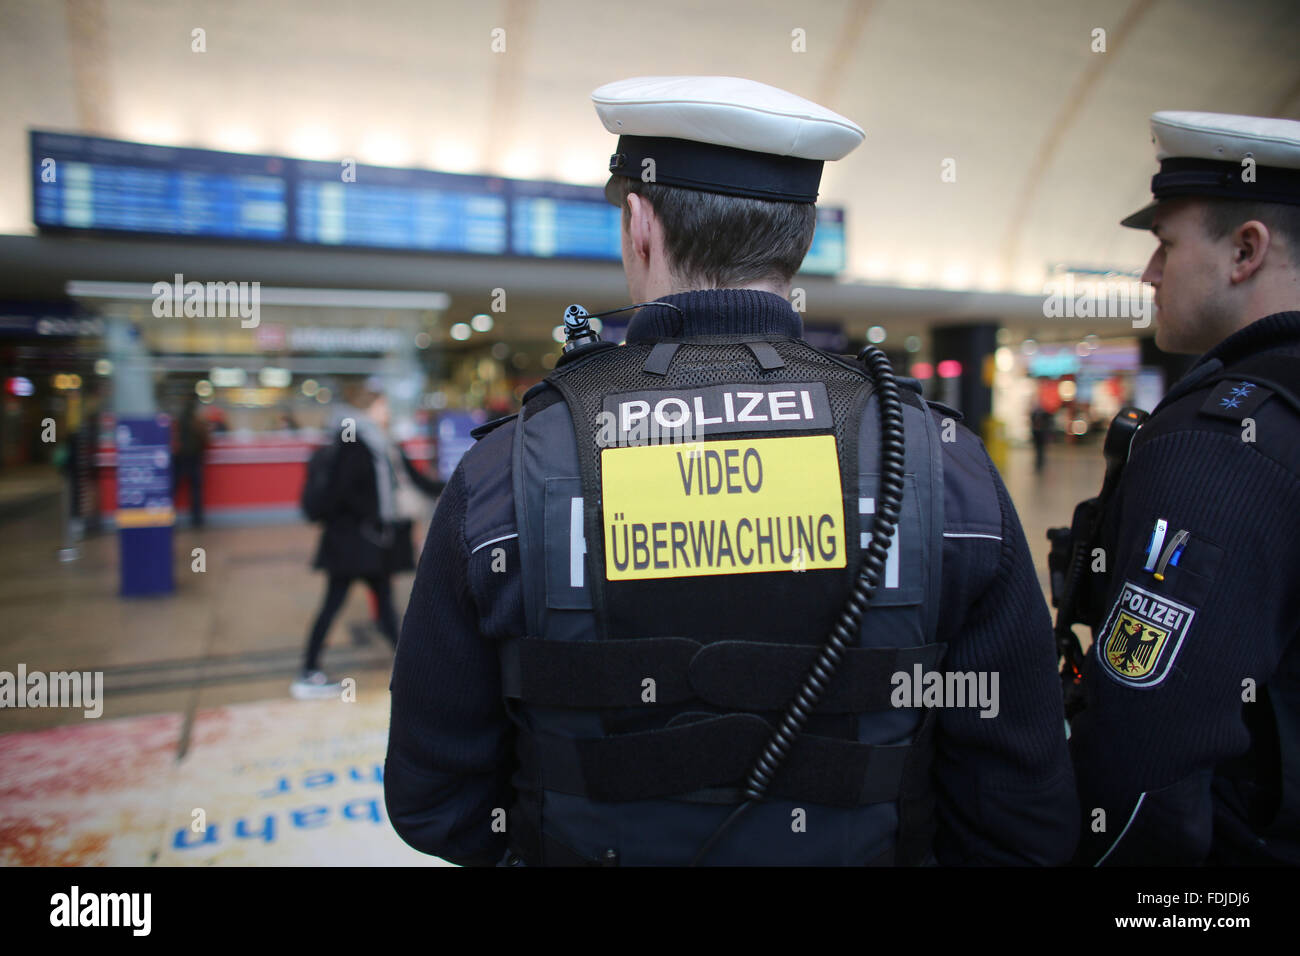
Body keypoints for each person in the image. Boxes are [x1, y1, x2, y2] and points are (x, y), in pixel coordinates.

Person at [385, 75, 1078, 866]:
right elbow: (1022, 812)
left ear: (639, 224)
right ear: (800, 240)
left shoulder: (505, 472)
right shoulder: (940, 464)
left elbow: (432, 802)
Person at [1067, 112, 1300, 865]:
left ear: (1245, 250)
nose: (1148, 275)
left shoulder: (1220, 442)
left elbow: (1148, 756)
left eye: (1165, 245)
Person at [293, 384, 444, 699]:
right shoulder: (355, 442)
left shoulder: (381, 443)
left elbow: (414, 479)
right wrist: (369, 516)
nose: (388, 412)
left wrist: (456, 485)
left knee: (382, 606)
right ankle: (308, 672)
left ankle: (411, 667)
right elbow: (340, 492)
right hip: (352, 541)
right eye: (384, 405)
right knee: (337, 604)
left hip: (367, 542)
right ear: (369, 408)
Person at [171, 396, 210, 528]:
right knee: (196, 491)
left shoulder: (177, 421)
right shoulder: (197, 421)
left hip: (179, 458)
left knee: (173, 490)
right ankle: (197, 521)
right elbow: (206, 438)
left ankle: (168, 518)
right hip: (194, 458)